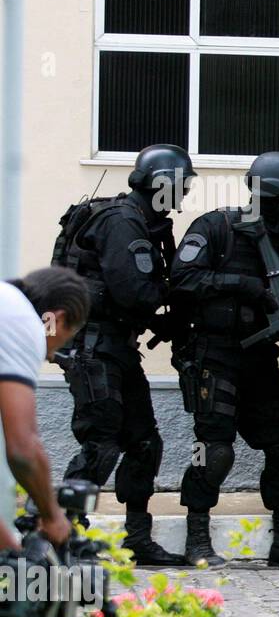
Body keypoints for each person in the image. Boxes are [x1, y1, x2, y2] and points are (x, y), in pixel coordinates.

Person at [170, 152, 279, 570]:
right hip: (213, 354)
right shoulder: (216, 228)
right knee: (213, 449)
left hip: (259, 356)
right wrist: (247, 286)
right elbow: (182, 281)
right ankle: (197, 535)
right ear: (271, 196)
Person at [51, 144, 195, 566]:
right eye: (181, 186)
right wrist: (174, 304)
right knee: (101, 443)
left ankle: (137, 537)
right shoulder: (123, 223)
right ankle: (64, 536)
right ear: (161, 186)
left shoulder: (144, 222)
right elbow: (135, 292)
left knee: (144, 442)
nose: (184, 195)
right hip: (93, 348)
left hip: (115, 347)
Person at [0, 268, 88, 617]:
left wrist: (11, 547)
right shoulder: (20, 318)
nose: (51, 354)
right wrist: (52, 517)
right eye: (63, 340)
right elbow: (23, 448)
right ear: (57, 317)